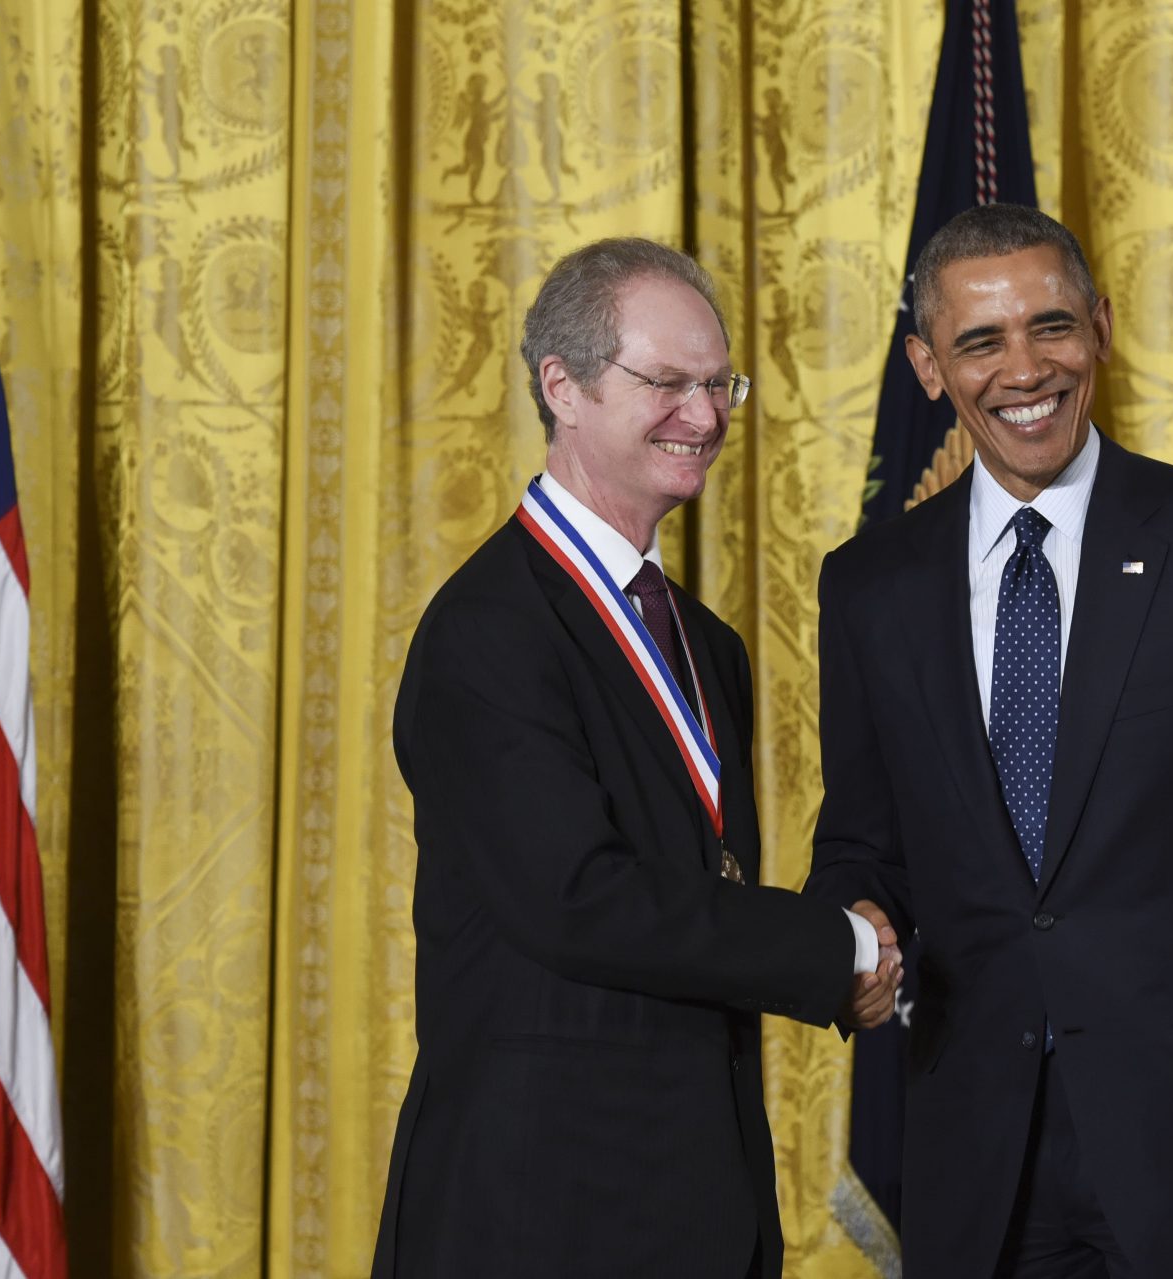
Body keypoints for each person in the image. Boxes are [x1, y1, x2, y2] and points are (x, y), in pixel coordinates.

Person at [802, 203, 1173, 1278]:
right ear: (928, 367)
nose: (1025, 367)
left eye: (1052, 326)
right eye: (980, 341)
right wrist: (854, 921)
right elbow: (860, 837)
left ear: (1104, 329)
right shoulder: (869, 585)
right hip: (975, 1157)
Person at [370, 238, 900, 1279]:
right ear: (561, 386)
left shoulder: (710, 646)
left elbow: (708, 895)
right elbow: (582, 900)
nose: (703, 418)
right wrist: (837, 948)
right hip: (537, 1216)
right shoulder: (488, 630)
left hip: (703, 1206)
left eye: (719, 384)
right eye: (665, 382)